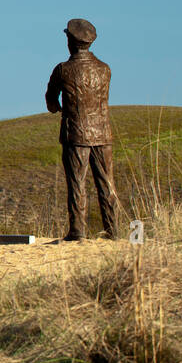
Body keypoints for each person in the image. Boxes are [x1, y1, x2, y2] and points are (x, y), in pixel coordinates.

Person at [45, 18, 119, 240]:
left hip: (76, 134)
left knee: (77, 183)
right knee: (107, 183)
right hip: (103, 133)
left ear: (70, 41)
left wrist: (56, 106)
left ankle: (78, 231)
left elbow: (50, 99)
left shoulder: (63, 70)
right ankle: (113, 230)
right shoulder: (105, 69)